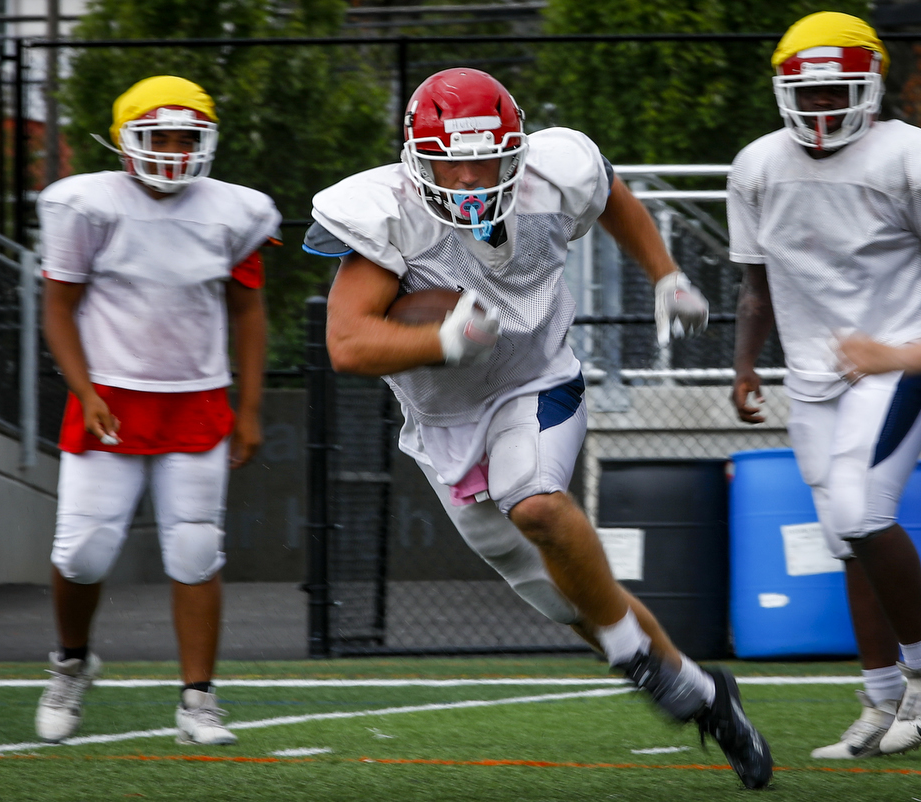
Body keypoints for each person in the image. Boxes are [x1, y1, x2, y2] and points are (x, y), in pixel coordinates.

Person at [304, 67, 772, 789]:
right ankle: (709, 698)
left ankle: (632, 656)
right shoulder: (386, 211)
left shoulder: (554, 172)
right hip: (444, 425)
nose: (468, 175)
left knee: (535, 501)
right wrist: (444, 340)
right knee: (572, 600)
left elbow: (612, 194)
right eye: (449, 160)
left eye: (485, 156)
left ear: (516, 147)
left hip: (538, 378)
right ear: (415, 157)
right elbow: (347, 343)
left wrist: (665, 276)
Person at [34, 75, 281, 746]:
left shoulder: (235, 211)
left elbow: (249, 310)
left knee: (196, 548)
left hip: (196, 399)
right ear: (123, 142)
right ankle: (71, 662)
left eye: (186, 137)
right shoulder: (85, 205)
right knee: (84, 551)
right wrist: (85, 392)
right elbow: (58, 307)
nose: (172, 149)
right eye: (158, 136)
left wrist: (250, 406)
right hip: (110, 397)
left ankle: (197, 698)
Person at [730, 11, 921, 759]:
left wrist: (901, 353)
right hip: (811, 375)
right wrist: (746, 365)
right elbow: (756, 286)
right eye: (808, 96)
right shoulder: (755, 165)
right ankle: (879, 704)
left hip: (894, 361)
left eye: (837, 92)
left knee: (859, 509)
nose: (821, 108)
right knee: (848, 537)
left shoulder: (906, 154)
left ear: (869, 87)